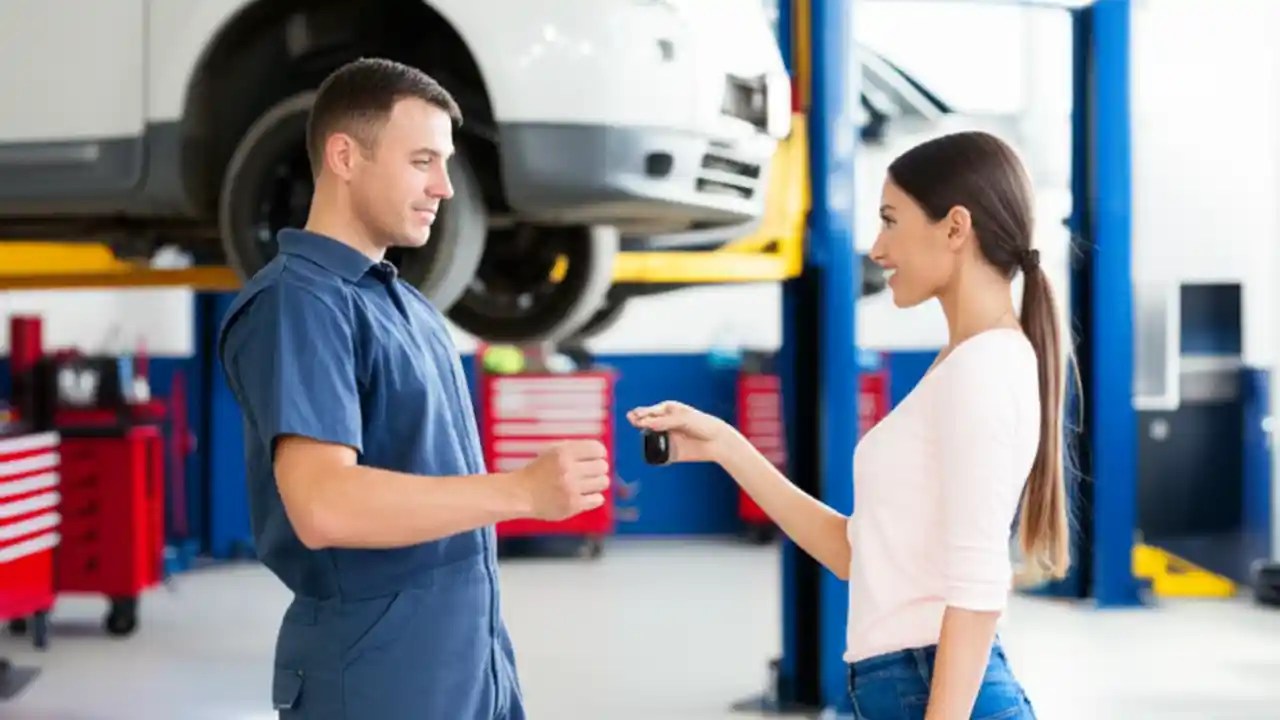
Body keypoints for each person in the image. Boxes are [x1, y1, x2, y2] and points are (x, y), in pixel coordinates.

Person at [217, 58, 611, 720]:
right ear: (345, 156)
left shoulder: (406, 305)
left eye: (446, 162)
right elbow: (324, 505)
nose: (445, 187)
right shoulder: (301, 304)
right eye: (422, 160)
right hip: (376, 681)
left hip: (465, 664)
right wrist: (520, 492)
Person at [629, 131, 1065, 719]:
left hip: (934, 691)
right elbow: (857, 554)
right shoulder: (962, 363)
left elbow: (978, 588)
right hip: (902, 684)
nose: (878, 249)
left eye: (890, 221)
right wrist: (728, 447)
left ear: (955, 228)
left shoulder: (983, 367)